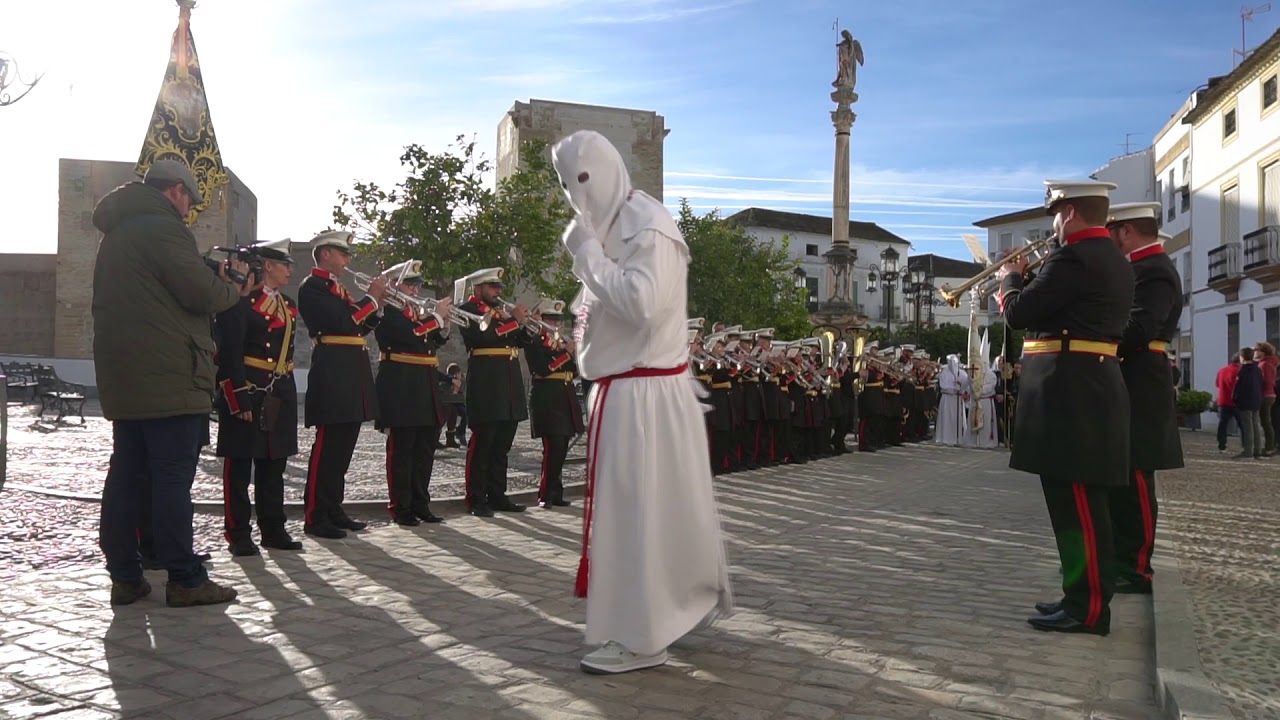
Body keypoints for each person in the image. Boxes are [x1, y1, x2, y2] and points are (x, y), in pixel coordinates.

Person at [552, 129, 733, 675]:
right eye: (565, 183)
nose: (575, 195)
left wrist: (585, 255)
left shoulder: (645, 226)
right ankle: (675, 606)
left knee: (637, 514)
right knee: (655, 510)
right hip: (632, 389)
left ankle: (643, 635)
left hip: (643, 393)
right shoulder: (617, 224)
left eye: (582, 179)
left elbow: (641, 304)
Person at [92, 158, 246, 607]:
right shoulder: (162, 227)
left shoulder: (117, 232)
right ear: (176, 190)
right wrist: (235, 288)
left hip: (127, 376)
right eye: (189, 202)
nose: (188, 212)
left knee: (126, 476)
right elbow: (201, 295)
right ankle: (185, 577)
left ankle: (125, 575)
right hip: (170, 375)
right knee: (172, 480)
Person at [998, 179, 1133, 636]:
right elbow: (1057, 310)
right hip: (1082, 389)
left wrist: (1010, 280)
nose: (1052, 224)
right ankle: (1079, 597)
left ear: (1070, 212)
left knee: (1080, 508)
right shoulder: (1105, 257)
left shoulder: (1074, 256)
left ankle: (1090, 609)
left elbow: (1019, 314)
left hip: (1072, 393)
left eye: (1055, 213)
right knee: (1076, 508)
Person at [1104, 206, 1184, 594]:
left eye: (1111, 231)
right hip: (1130, 375)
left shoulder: (1153, 270)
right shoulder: (1140, 268)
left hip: (1141, 378)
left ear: (1126, 231)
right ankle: (1123, 560)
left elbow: (1139, 328)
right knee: (1121, 478)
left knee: (1135, 479)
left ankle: (1136, 570)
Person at [214, 239, 306, 557]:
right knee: (239, 466)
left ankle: (273, 528)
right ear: (267, 265)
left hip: (278, 389)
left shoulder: (289, 304)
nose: (290, 270)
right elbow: (230, 350)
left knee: (273, 464)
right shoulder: (242, 301)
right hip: (249, 387)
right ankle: (238, 532)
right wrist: (236, 396)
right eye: (285, 264)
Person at [297, 231, 387, 539]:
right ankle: (315, 515)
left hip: (350, 371)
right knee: (327, 449)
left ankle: (334, 508)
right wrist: (371, 298)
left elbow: (360, 325)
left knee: (343, 449)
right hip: (333, 372)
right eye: (342, 253)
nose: (348, 260)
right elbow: (344, 321)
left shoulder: (339, 289)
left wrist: (379, 307)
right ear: (325, 254)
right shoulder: (312, 287)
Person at [373, 265, 452, 526]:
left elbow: (428, 342)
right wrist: (436, 319)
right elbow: (409, 336)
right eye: (409, 285)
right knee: (402, 451)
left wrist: (444, 326)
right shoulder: (388, 310)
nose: (415, 290)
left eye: (417, 285)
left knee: (424, 450)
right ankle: (401, 507)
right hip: (401, 385)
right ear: (394, 285)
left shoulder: (415, 312)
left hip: (424, 384)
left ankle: (421, 503)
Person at [456, 268, 537, 517]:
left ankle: (497, 495)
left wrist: (529, 326)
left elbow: (518, 341)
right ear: (477, 289)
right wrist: (514, 320)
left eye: (499, 287)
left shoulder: (500, 313)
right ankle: (476, 498)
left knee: (501, 446)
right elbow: (485, 338)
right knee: (483, 445)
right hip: (487, 383)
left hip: (508, 383)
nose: (498, 292)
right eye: (492, 287)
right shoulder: (468, 310)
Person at [523, 298, 584, 508]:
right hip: (546, 394)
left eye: (558, 320)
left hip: (564, 394)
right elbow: (542, 368)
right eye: (551, 319)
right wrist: (566, 353)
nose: (556, 324)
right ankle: (545, 493)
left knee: (563, 446)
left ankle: (556, 492)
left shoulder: (559, 341)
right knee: (554, 446)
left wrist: (575, 355)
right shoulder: (534, 340)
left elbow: (574, 371)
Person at [1233, 347, 1265, 459]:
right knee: (1256, 425)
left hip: (1245, 401)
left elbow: (1238, 387)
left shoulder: (1243, 370)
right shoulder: (1257, 369)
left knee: (1248, 427)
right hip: (1257, 400)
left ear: (1242, 357)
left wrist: (1235, 399)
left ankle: (1248, 452)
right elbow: (1262, 383)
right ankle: (1258, 451)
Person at [934, 355, 968, 445]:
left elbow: (966, 384)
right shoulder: (944, 373)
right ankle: (946, 438)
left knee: (957, 418)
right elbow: (943, 386)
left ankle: (959, 438)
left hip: (957, 399)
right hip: (947, 399)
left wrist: (961, 388)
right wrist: (953, 389)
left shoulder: (962, 373)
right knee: (947, 418)